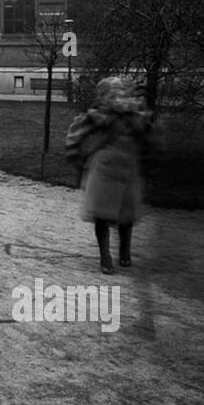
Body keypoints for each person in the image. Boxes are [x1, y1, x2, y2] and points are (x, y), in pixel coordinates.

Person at [64, 76, 159, 275]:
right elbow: (76, 134)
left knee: (126, 214)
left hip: (127, 169)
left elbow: (151, 139)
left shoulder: (137, 115)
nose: (120, 96)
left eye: (123, 92)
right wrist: (76, 156)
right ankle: (105, 257)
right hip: (105, 170)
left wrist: (150, 158)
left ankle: (124, 252)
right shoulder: (101, 115)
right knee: (102, 214)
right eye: (116, 92)